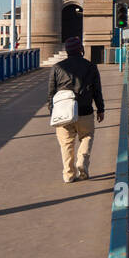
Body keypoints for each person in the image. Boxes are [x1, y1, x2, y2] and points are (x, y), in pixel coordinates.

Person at [47, 37, 105, 183]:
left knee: (66, 143)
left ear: (67, 50)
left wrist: (52, 111)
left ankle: (68, 174)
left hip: (63, 111)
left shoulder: (57, 67)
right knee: (87, 136)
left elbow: (51, 93)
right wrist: (100, 109)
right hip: (85, 109)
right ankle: (82, 162)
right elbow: (97, 90)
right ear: (81, 50)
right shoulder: (91, 66)